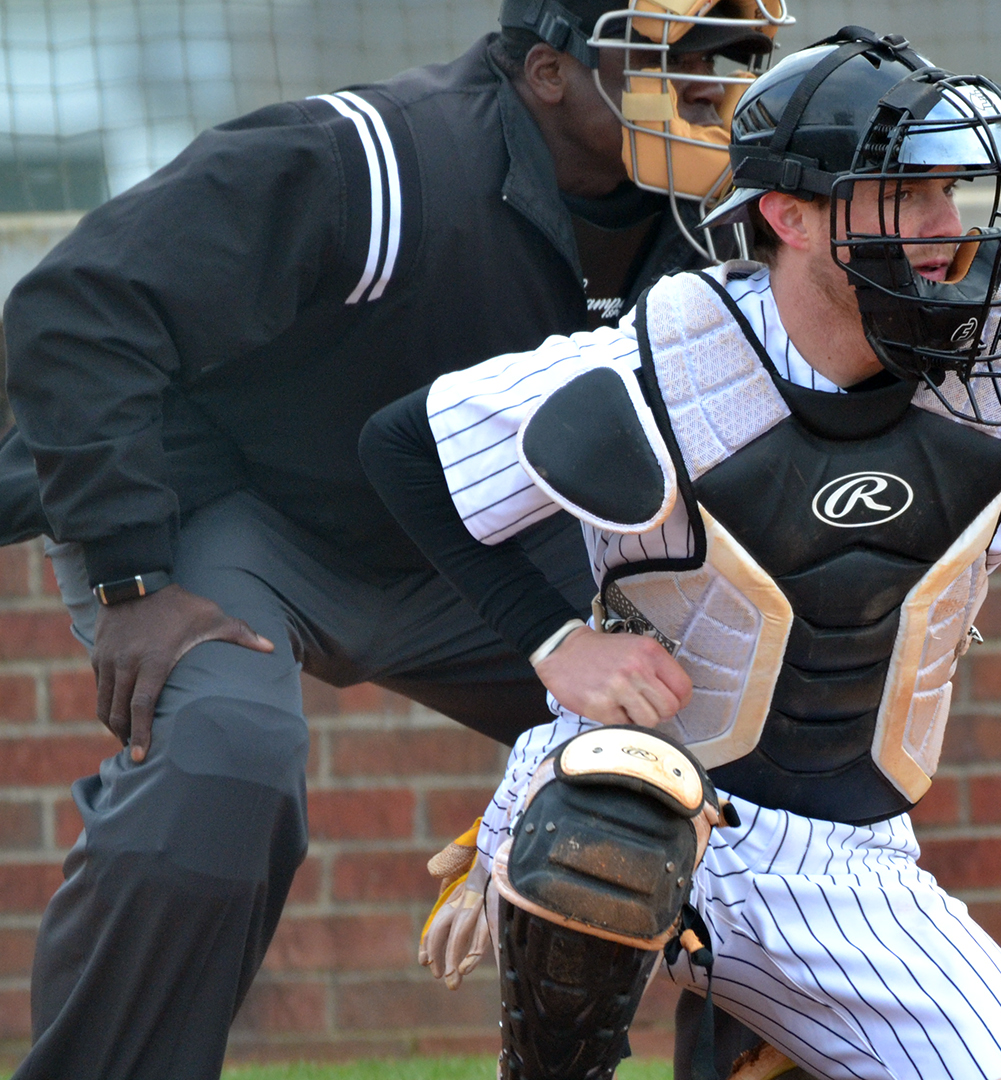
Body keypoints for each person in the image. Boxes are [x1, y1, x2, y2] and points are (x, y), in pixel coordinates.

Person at [361, 26, 1001, 1080]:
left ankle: (777, 1040)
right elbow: (401, 448)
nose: (946, 227)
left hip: (848, 864)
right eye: (905, 195)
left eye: (951, 190)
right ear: (789, 216)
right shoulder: (670, 367)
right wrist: (554, 643)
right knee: (609, 822)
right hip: (641, 802)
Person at [0, 1, 790, 1076]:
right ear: (550, 71)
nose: (715, 82)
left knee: (754, 756)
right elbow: (76, 306)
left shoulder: (728, 218)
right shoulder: (372, 163)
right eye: (676, 52)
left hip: (464, 545)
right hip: (242, 513)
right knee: (225, 755)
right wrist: (131, 579)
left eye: (738, 55)